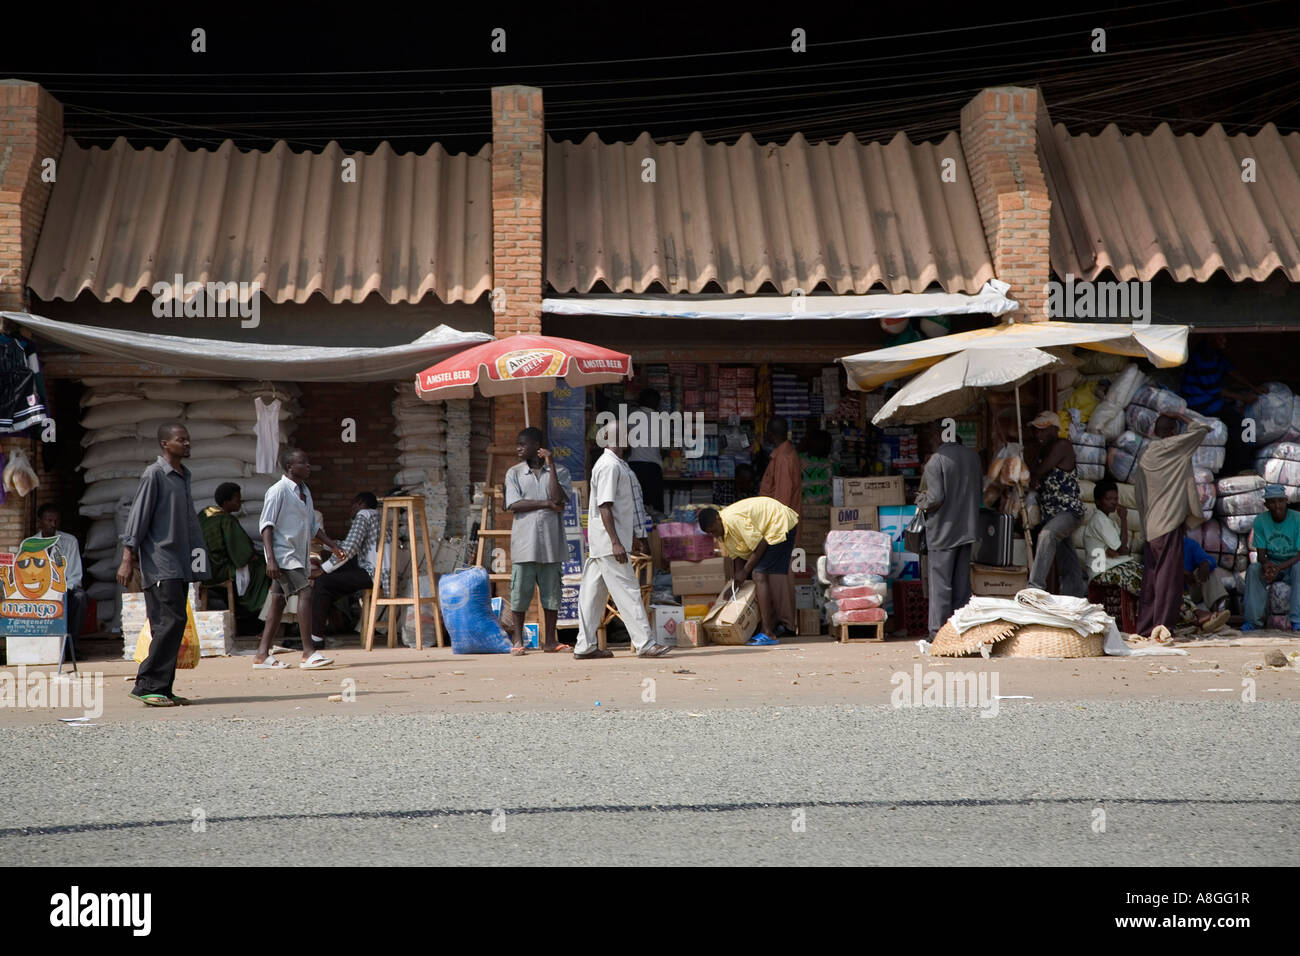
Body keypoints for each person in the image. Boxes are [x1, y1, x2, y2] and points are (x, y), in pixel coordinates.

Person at [116, 423, 210, 707]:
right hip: (160, 562)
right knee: (171, 621)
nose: (188, 443)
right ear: (165, 444)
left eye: (188, 439)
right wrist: (127, 559)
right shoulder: (154, 474)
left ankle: (163, 688)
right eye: (181, 440)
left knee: (168, 625)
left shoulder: (183, 476)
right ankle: (146, 684)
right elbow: (138, 518)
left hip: (179, 562)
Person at [573, 425, 669, 659]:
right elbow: (604, 506)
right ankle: (645, 643)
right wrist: (616, 542)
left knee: (591, 594)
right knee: (628, 591)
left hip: (604, 542)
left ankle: (584, 646)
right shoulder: (609, 466)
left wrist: (633, 537)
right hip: (608, 542)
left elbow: (624, 507)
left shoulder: (618, 465)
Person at [1084, 479, 1226, 633]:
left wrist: (1116, 550)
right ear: (1098, 502)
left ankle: (1193, 615)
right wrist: (1124, 520)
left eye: (1115, 499)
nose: (1113, 503)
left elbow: (1120, 550)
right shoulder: (1100, 520)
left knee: (1158, 582)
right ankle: (1195, 615)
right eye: (1108, 499)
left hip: (1115, 566)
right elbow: (1122, 549)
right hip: (1106, 571)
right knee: (1153, 584)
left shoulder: (1108, 521)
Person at [253, 448, 347, 669]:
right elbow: (266, 526)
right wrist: (271, 560)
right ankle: (308, 652)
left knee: (277, 602)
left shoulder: (305, 491)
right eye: (303, 463)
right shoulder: (278, 491)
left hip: (299, 554)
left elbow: (313, 527)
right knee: (306, 592)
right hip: (284, 555)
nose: (308, 467)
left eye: (308, 463)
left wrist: (333, 546)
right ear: (290, 467)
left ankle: (261, 655)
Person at [1134, 414, 1210, 638]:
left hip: (1151, 526)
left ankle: (1146, 627)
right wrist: (1179, 414)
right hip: (1167, 525)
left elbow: (1138, 496)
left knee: (1151, 580)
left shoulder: (1147, 454)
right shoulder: (1174, 447)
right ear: (1173, 432)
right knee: (1168, 581)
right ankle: (1163, 628)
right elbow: (1202, 428)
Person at [504, 428, 574, 655]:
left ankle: (551, 641)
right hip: (525, 544)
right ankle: (517, 640)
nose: (518, 449)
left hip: (551, 545)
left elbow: (558, 498)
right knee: (519, 593)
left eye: (522, 445)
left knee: (552, 594)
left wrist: (550, 463)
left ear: (537, 445)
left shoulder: (560, 471)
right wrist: (545, 504)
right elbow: (514, 505)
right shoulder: (513, 473)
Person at [697, 496, 799, 642]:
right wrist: (736, 583)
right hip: (767, 531)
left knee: (758, 574)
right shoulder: (722, 533)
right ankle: (768, 625)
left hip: (780, 522)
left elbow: (760, 544)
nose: (714, 536)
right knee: (755, 575)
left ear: (718, 519)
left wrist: (745, 572)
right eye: (710, 534)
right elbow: (737, 557)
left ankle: (768, 632)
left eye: (714, 531)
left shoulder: (733, 519)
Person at [914, 423, 981, 639]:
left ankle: (938, 633)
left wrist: (920, 499)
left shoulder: (936, 460)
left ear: (938, 437)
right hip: (967, 529)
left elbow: (934, 498)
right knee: (962, 585)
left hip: (942, 531)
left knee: (940, 584)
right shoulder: (973, 458)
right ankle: (960, 630)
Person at [1181, 333, 1267, 473]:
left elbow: (1231, 371)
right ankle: (1241, 466)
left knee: (1240, 416)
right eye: (1220, 338)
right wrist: (1242, 398)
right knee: (1242, 423)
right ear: (1210, 338)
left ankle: (1245, 457)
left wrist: (1253, 387)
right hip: (1199, 401)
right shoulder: (1202, 357)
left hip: (1212, 399)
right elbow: (1214, 389)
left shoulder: (1216, 354)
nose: (1225, 341)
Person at [310, 491, 385, 650]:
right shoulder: (378, 516)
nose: (350, 510)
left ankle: (315, 640)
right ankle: (331, 620)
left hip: (372, 572)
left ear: (359, 503)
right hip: (379, 571)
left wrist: (323, 569)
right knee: (331, 578)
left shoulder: (363, 515)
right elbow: (349, 546)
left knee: (322, 582)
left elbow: (349, 549)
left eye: (352, 505)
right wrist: (326, 544)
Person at [1027, 410, 1087, 598]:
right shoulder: (1043, 450)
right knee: (1067, 558)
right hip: (1052, 514)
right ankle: (1077, 595)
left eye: (1043, 431)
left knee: (1047, 535)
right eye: (1037, 431)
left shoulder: (1062, 445)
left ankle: (1035, 587)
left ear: (1054, 429)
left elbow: (1040, 470)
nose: (1039, 435)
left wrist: (1032, 467)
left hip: (1068, 512)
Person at [198, 482, 271, 623]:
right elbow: (243, 554)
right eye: (237, 499)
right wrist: (252, 556)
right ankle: (255, 612)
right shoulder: (227, 520)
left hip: (202, 569)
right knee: (262, 568)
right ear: (226, 502)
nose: (240, 502)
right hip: (218, 569)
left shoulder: (204, 514)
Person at [757, 416, 802, 635]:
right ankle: (781, 621)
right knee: (775, 574)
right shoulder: (784, 455)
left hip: (780, 525)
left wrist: (773, 528)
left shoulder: (783, 459)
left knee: (778, 575)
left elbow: (782, 498)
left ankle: (786, 622)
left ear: (771, 434)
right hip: (780, 523)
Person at [1241, 484, 1300, 632]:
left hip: (1292, 563)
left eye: (1280, 501)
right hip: (1273, 564)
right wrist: (1267, 565)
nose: (1277, 505)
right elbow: (1261, 554)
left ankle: (1297, 620)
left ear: (1286, 501)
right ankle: (1253, 621)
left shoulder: (1297, 519)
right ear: (1266, 504)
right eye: (1272, 502)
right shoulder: (1260, 521)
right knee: (1254, 569)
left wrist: (1278, 567)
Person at [35, 504, 86, 649]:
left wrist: (60, 592)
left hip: (65, 590)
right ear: (40, 521)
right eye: (48, 520)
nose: (53, 524)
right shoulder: (30, 544)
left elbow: (75, 576)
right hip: (39, 593)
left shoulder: (70, 541)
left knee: (80, 597)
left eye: (56, 521)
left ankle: (71, 647)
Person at [625, 388, 664, 515]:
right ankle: (656, 534)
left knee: (636, 509)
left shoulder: (632, 417)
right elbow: (664, 447)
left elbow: (626, 442)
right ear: (657, 404)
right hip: (653, 468)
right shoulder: (661, 420)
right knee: (655, 510)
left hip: (635, 467)